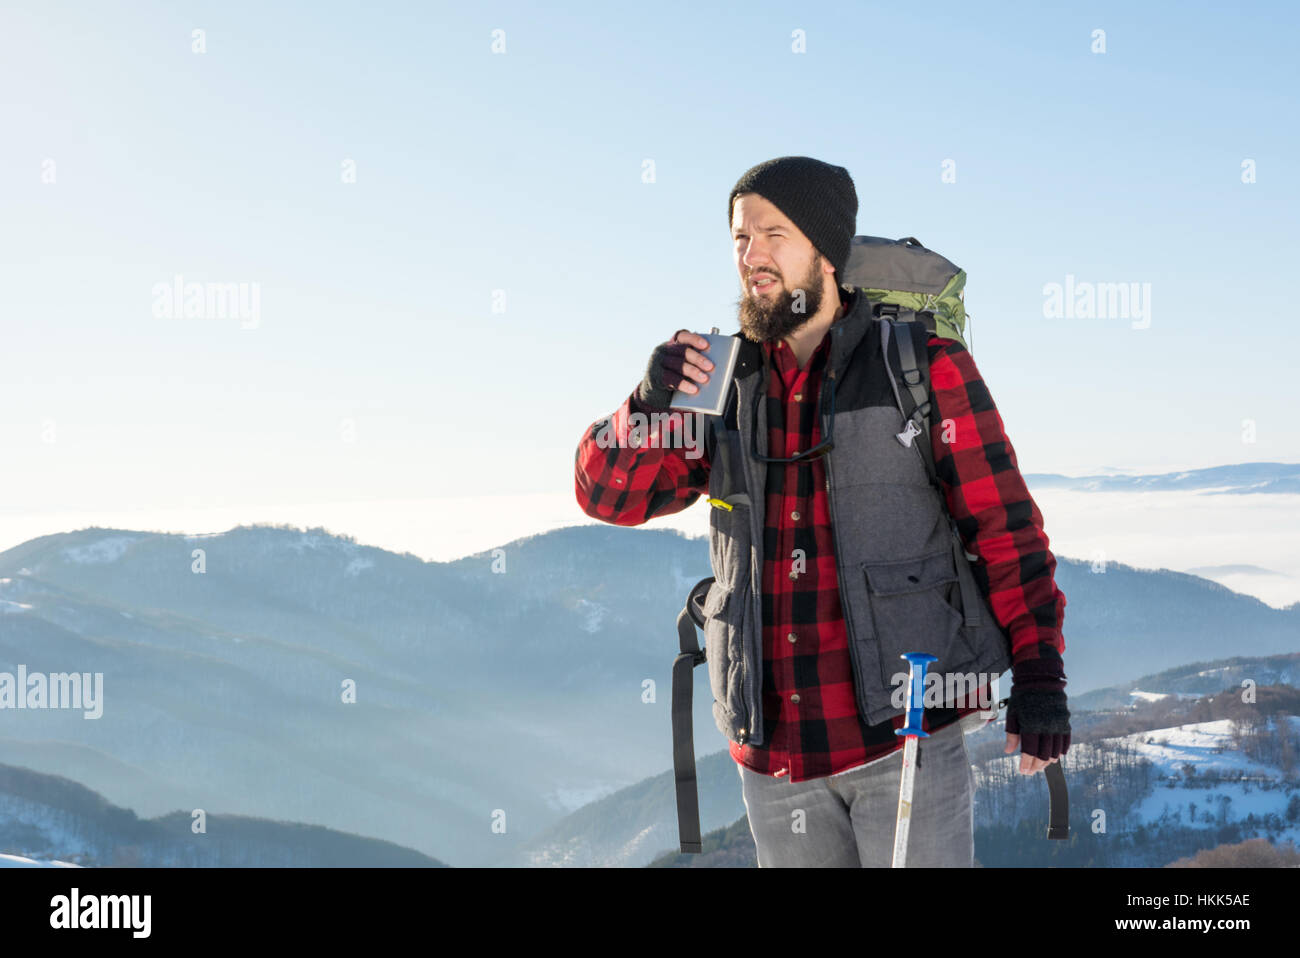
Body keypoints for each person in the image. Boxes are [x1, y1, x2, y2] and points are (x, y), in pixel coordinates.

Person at [573, 156, 1070, 867]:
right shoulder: (718, 386)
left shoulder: (922, 368)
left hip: (906, 743)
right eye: (741, 238)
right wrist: (644, 408)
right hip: (773, 757)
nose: (753, 255)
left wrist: (1040, 674)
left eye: (775, 233)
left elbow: (1004, 527)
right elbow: (605, 496)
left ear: (827, 252)